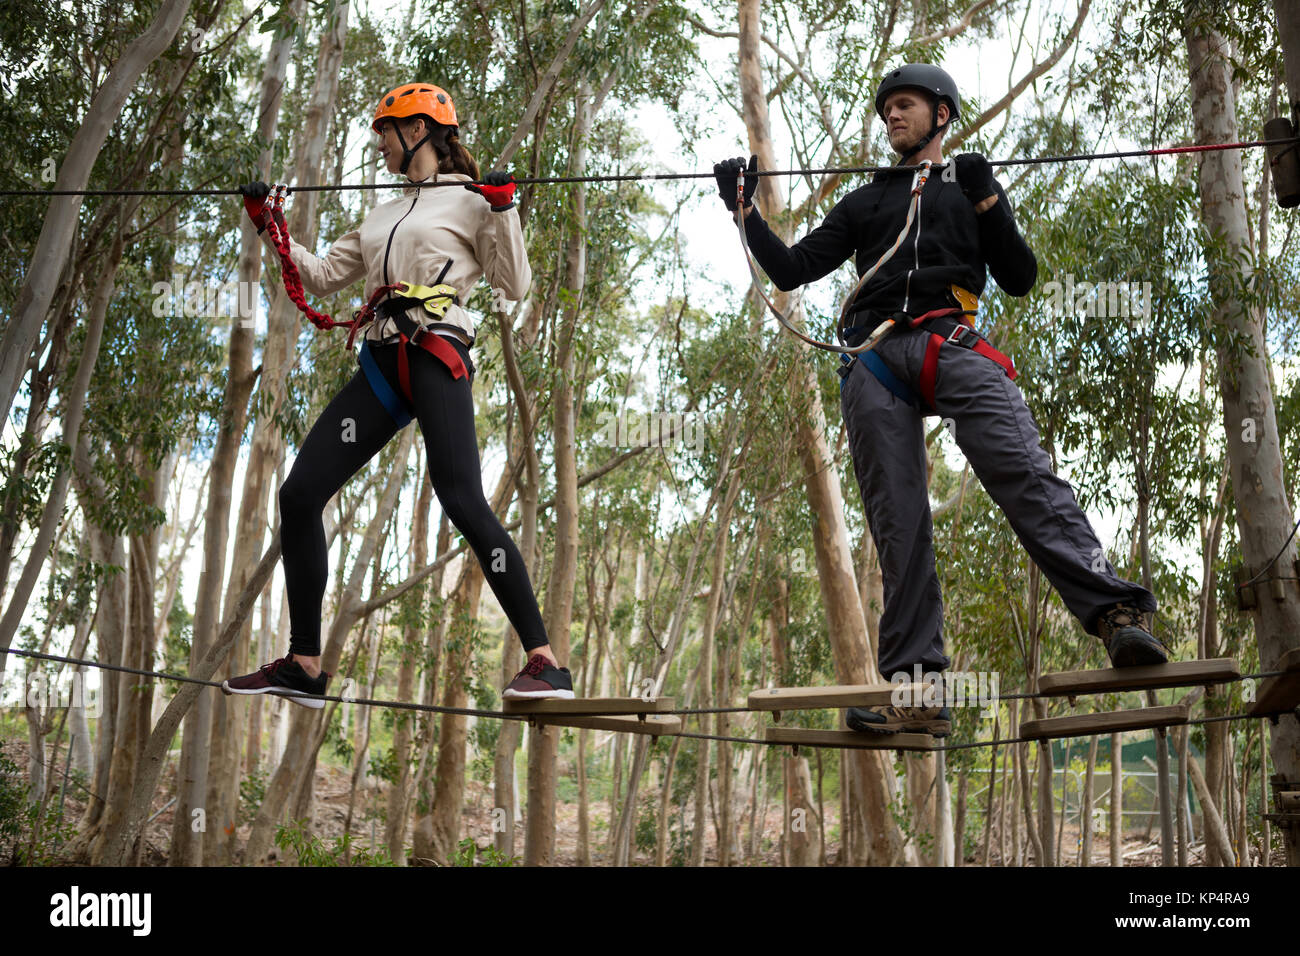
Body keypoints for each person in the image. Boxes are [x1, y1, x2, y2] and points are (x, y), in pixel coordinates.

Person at [714, 64, 1164, 737]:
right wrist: (744, 211)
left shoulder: (967, 187)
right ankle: (918, 690)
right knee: (899, 525)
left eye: (905, 106)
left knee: (1023, 474)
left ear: (942, 115)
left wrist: (988, 201)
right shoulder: (867, 202)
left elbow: (1019, 277)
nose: (892, 117)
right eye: (887, 108)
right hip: (873, 360)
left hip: (954, 346)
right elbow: (792, 268)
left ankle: (1118, 617)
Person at [223, 83, 573, 708]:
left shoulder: (469, 202)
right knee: (299, 494)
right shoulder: (381, 215)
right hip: (383, 366)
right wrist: (270, 227)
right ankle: (305, 666)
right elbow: (326, 276)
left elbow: (513, 284)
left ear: (418, 130)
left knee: (462, 498)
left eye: (385, 129)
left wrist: (504, 208)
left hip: (436, 353)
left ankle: (544, 661)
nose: (378, 140)